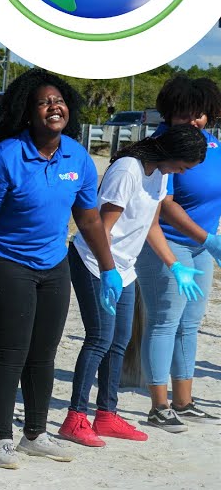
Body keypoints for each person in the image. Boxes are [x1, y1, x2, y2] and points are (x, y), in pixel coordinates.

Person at [0, 68, 117, 470]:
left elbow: (89, 220)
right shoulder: (3, 158)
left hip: (54, 265)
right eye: (45, 101)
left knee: (44, 354)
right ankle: (0, 439)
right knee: (11, 351)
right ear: (28, 112)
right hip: (6, 263)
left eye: (60, 100)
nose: (54, 106)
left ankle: (36, 433)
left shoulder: (77, 156)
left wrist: (108, 268)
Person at [59, 124, 206, 447]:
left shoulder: (162, 174)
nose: (182, 173)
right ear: (169, 154)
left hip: (124, 267)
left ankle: (107, 415)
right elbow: (101, 227)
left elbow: (150, 225)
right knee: (99, 339)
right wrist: (108, 271)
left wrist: (175, 264)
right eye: (182, 166)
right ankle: (75, 418)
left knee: (120, 341)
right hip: (94, 261)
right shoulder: (127, 170)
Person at [134, 76, 221, 430]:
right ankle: (159, 405)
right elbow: (164, 205)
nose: (195, 121)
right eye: (187, 114)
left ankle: (183, 400)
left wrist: (209, 239)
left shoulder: (212, 144)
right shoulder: (159, 146)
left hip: (202, 246)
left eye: (201, 114)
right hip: (166, 243)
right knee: (165, 319)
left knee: (190, 323)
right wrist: (207, 238)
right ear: (170, 113)